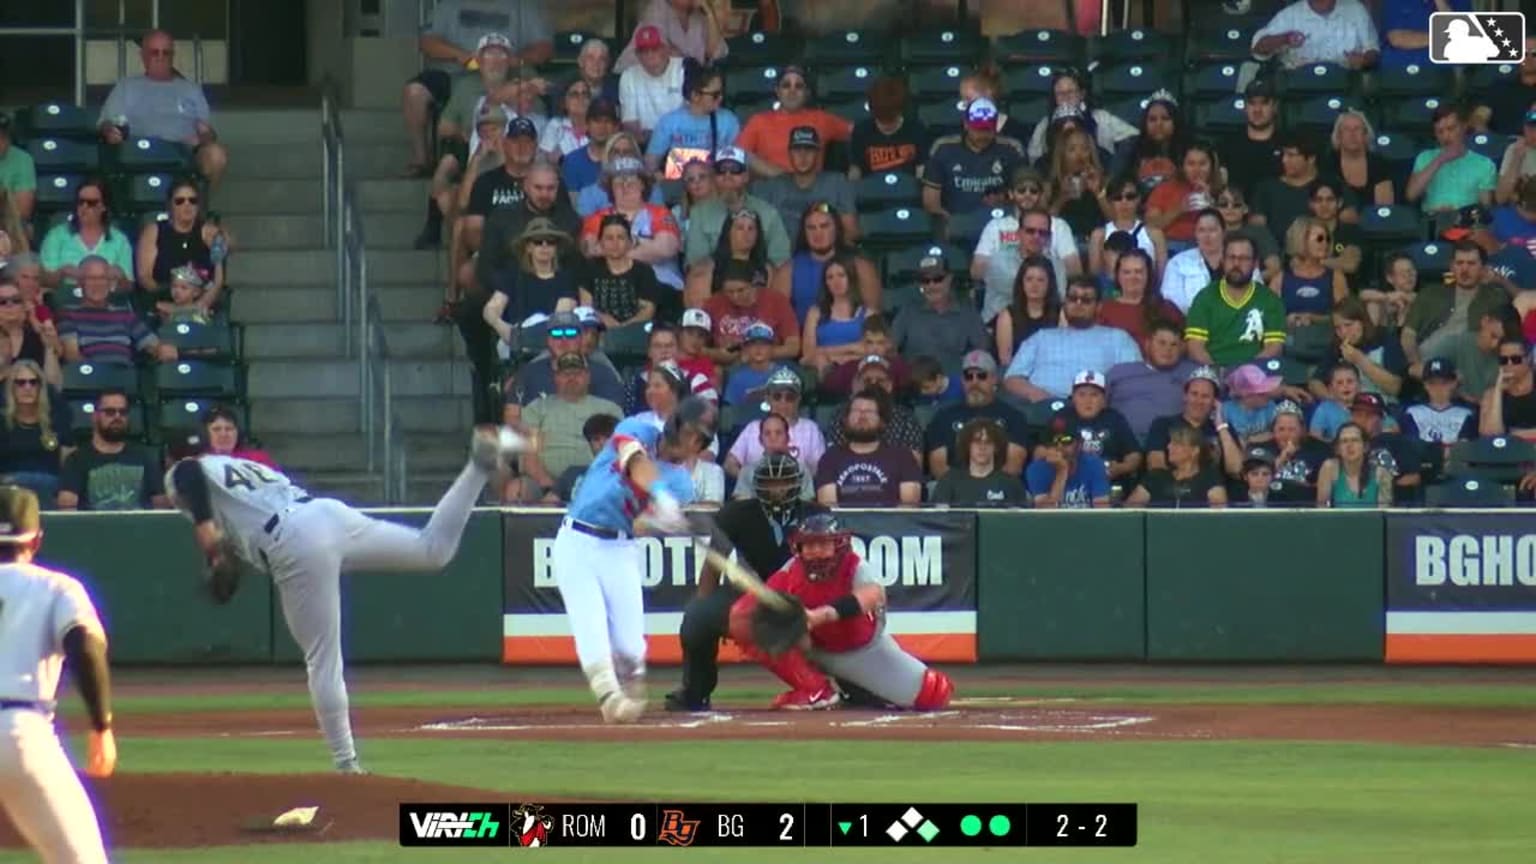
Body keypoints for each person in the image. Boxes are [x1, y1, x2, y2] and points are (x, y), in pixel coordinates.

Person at [165, 425, 527, 769]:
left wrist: (211, 545)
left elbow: (188, 476)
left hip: (293, 540)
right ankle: (479, 466)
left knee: (322, 658)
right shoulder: (233, 463)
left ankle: (345, 764)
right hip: (326, 514)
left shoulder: (186, 470)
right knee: (432, 551)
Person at [553, 397, 714, 722]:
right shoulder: (635, 429)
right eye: (692, 432)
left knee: (632, 647)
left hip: (619, 549)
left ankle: (630, 692)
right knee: (592, 626)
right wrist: (660, 494)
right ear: (677, 424)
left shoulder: (681, 482)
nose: (692, 441)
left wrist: (661, 521)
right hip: (577, 540)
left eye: (700, 438)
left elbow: (640, 526)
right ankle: (609, 697)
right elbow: (634, 461)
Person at [725, 514, 956, 710]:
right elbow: (748, 607)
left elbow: (873, 595)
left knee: (934, 693)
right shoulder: (791, 570)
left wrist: (818, 616)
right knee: (743, 620)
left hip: (861, 651)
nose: (816, 552)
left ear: (839, 545)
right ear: (800, 548)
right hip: (813, 648)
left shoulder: (856, 567)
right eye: (810, 545)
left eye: (823, 544)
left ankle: (853, 687)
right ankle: (814, 689)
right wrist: (787, 624)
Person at [0, 485, 116, 864]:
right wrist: (101, 725)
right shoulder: (55, 586)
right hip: (17, 731)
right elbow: (84, 645)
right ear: (36, 538)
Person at [665, 452, 823, 712]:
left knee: (842, 625)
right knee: (697, 617)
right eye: (771, 483)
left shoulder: (816, 513)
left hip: (805, 594)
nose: (777, 490)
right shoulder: (736, 513)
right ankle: (695, 691)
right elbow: (715, 560)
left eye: (783, 482)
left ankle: (855, 687)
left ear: (796, 483)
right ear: (757, 484)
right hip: (749, 594)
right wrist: (703, 602)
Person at [400, 1, 552, 176]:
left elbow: (544, 48)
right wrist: (460, 55)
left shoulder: (522, 6)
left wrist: (514, 60)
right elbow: (427, 42)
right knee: (415, 92)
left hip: (509, 74)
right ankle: (421, 159)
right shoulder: (449, 5)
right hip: (453, 73)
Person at [98, 29, 230, 188]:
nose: (160, 57)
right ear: (143, 56)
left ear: (172, 56)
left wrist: (203, 137)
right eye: (154, 52)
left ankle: (196, 206)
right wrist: (111, 131)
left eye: (165, 53)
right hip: (139, 151)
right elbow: (106, 123)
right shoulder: (126, 86)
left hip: (183, 152)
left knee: (216, 155)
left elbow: (208, 133)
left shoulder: (191, 89)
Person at [57, 389, 169, 511]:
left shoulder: (144, 457)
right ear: (95, 416)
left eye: (123, 412)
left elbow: (161, 506)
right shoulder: (77, 460)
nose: (117, 417)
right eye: (110, 412)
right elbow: (67, 507)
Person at [1184, 236, 1287, 367]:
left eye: (1244, 258)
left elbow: (1274, 347)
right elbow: (1195, 348)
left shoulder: (1269, 300)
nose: (1236, 264)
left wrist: (1246, 373)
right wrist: (1217, 373)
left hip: (1256, 374)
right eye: (1231, 257)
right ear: (1223, 260)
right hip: (1213, 372)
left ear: (1255, 263)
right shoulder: (1205, 298)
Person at [922, 99, 1025, 222]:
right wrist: (950, 223)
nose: (983, 135)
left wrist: (1005, 198)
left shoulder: (1011, 149)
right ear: (966, 124)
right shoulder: (944, 148)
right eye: (978, 129)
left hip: (1000, 221)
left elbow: (1027, 192)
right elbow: (931, 201)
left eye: (987, 129)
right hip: (955, 222)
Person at [1406, 105, 1496, 214]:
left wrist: (1459, 214)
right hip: (1433, 221)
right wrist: (1439, 160)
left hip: (1467, 224)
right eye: (1440, 132)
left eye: (1451, 129)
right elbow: (1411, 195)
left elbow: (1485, 206)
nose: (1446, 136)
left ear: (1464, 127)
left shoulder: (1484, 164)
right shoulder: (1425, 157)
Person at [1249, 0, 1381, 71]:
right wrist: (1284, 38)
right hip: (1301, 87)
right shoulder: (1290, 15)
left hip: (1347, 82)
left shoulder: (1355, 8)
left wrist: (1364, 60)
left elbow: (1373, 50)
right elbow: (1258, 48)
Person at [1123, 424, 1228, 507]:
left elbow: (1219, 516)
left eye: (1176, 444)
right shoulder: (1155, 477)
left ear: (1195, 451)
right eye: (1170, 443)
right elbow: (1129, 512)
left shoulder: (1210, 478)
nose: (1168, 447)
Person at [930, 418, 1028, 506]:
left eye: (988, 442)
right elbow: (939, 520)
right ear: (968, 446)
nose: (982, 447)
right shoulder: (948, 481)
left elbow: (1018, 522)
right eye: (977, 442)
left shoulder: (1011, 484)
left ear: (996, 447)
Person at [847, 76, 929, 179]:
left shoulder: (916, 129)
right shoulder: (861, 130)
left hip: (907, 191)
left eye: (891, 120)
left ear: (900, 110)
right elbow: (855, 169)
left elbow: (921, 169)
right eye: (880, 119)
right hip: (871, 191)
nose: (886, 125)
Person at [1026, 416, 1111, 508]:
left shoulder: (1094, 464)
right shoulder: (1037, 469)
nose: (1059, 447)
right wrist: (1062, 471)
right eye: (1053, 441)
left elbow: (1102, 509)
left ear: (1079, 444)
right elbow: (1045, 515)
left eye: (1066, 440)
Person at [1315, 421, 1393, 507]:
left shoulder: (1381, 473)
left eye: (1355, 440)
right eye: (1344, 441)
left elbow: (1384, 514)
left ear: (1365, 447)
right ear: (1337, 449)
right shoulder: (1329, 468)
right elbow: (1322, 511)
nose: (1349, 445)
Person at [201, 405, 275, 467]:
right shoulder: (198, 462)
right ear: (206, 434)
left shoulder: (258, 459)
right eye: (216, 429)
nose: (223, 434)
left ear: (238, 433)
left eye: (229, 429)